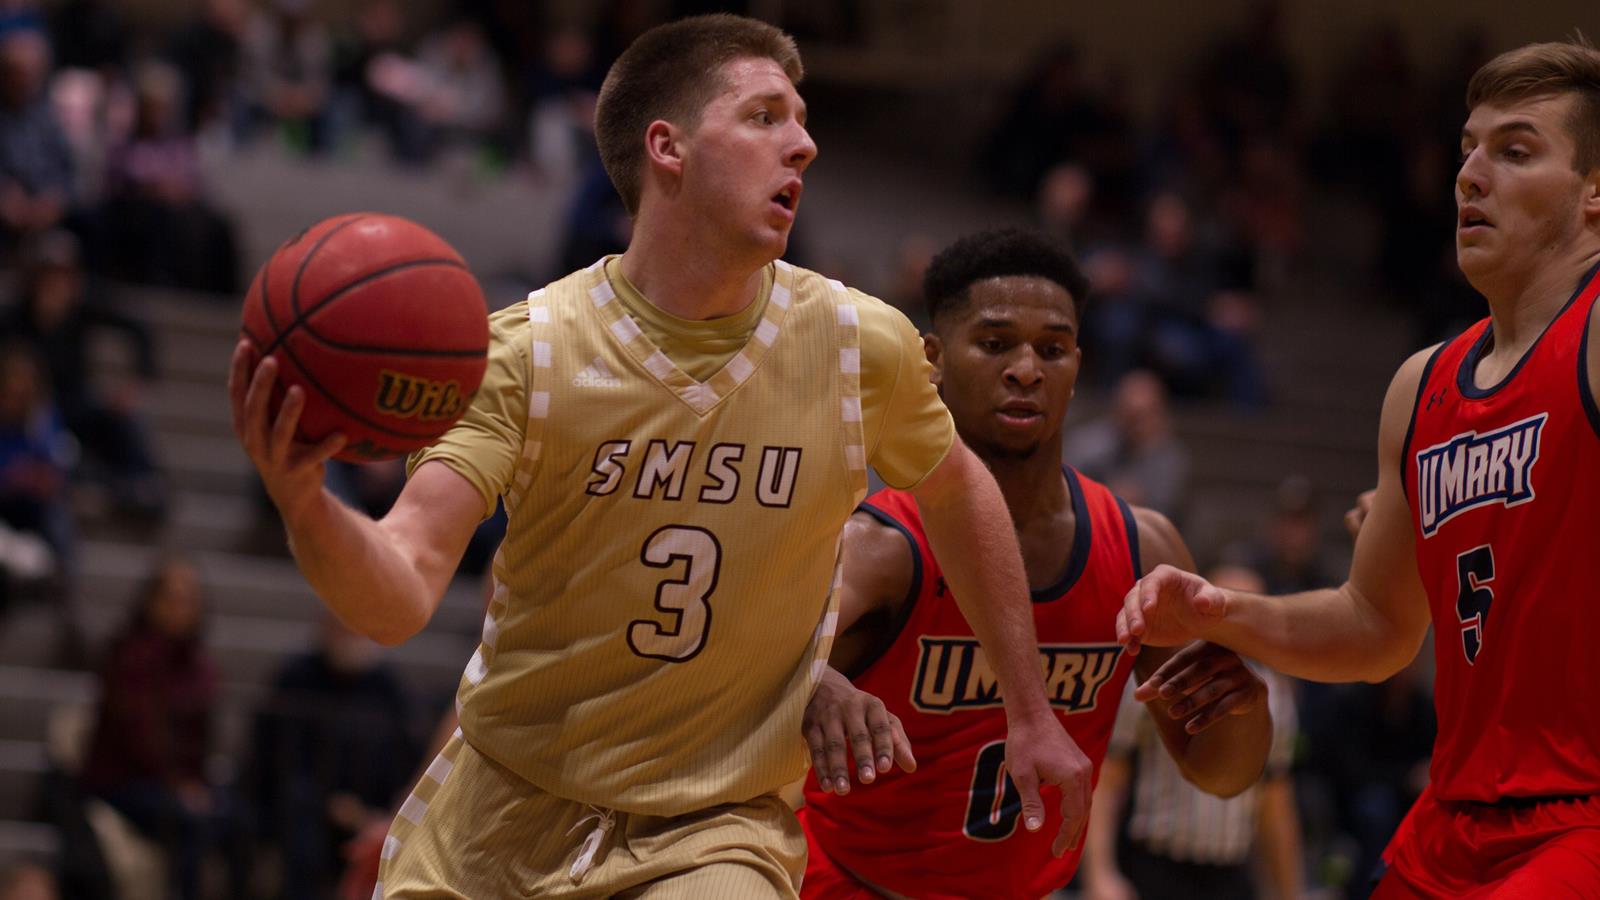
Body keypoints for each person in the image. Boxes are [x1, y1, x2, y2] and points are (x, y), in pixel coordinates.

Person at [228, 15, 1086, 898]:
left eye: (801, 119)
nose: (804, 144)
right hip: (500, 819)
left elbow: (956, 489)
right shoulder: (532, 355)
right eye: (764, 117)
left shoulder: (857, 345)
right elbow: (399, 589)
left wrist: (1029, 710)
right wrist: (306, 502)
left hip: (711, 833)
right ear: (667, 148)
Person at [1120, 38, 1600, 897]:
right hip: (1454, 816)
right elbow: (1377, 627)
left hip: (1582, 818)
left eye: (1516, 151)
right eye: (1467, 151)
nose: (1470, 175)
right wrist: (1224, 611)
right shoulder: (1422, 386)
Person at [797, 228, 1272, 899]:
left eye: (1051, 349)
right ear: (932, 359)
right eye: (995, 344)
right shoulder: (883, 546)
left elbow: (1219, 773)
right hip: (853, 885)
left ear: (1077, 366)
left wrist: (1246, 712)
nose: (1026, 369)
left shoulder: (1144, 548)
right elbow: (744, 678)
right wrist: (812, 683)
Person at [1083, 564, 1304, 900]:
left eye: (1249, 605)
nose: (1236, 618)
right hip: (1155, 865)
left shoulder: (1274, 693)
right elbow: (1110, 777)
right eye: (1226, 604)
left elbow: (1275, 801)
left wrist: (1290, 892)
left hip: (1229, 874)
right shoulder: (1164, 675)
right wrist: (1100, 873)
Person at [78, 555, 247, 900]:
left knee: (241, 819)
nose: (180, 608)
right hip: (124, 781)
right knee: (190, 824)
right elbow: (139, 738)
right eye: (171, 598)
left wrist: (196, 785)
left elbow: (202, 741)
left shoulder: (201, 666)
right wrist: (181, 787)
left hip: (181, 784)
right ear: (150, 602)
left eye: (188, 600)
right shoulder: (130, 656)